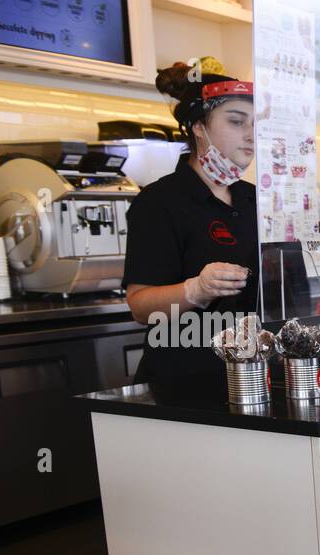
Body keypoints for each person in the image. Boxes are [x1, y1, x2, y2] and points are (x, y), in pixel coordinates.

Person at [124, 61, 257, 388]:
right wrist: (195, 290)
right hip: (183, 383)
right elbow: (140, 306)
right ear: (198, 126)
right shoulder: (159, 203)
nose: (251, 135)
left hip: (252, 377)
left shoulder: (258, 200)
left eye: (256, 124)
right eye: (237, 122)